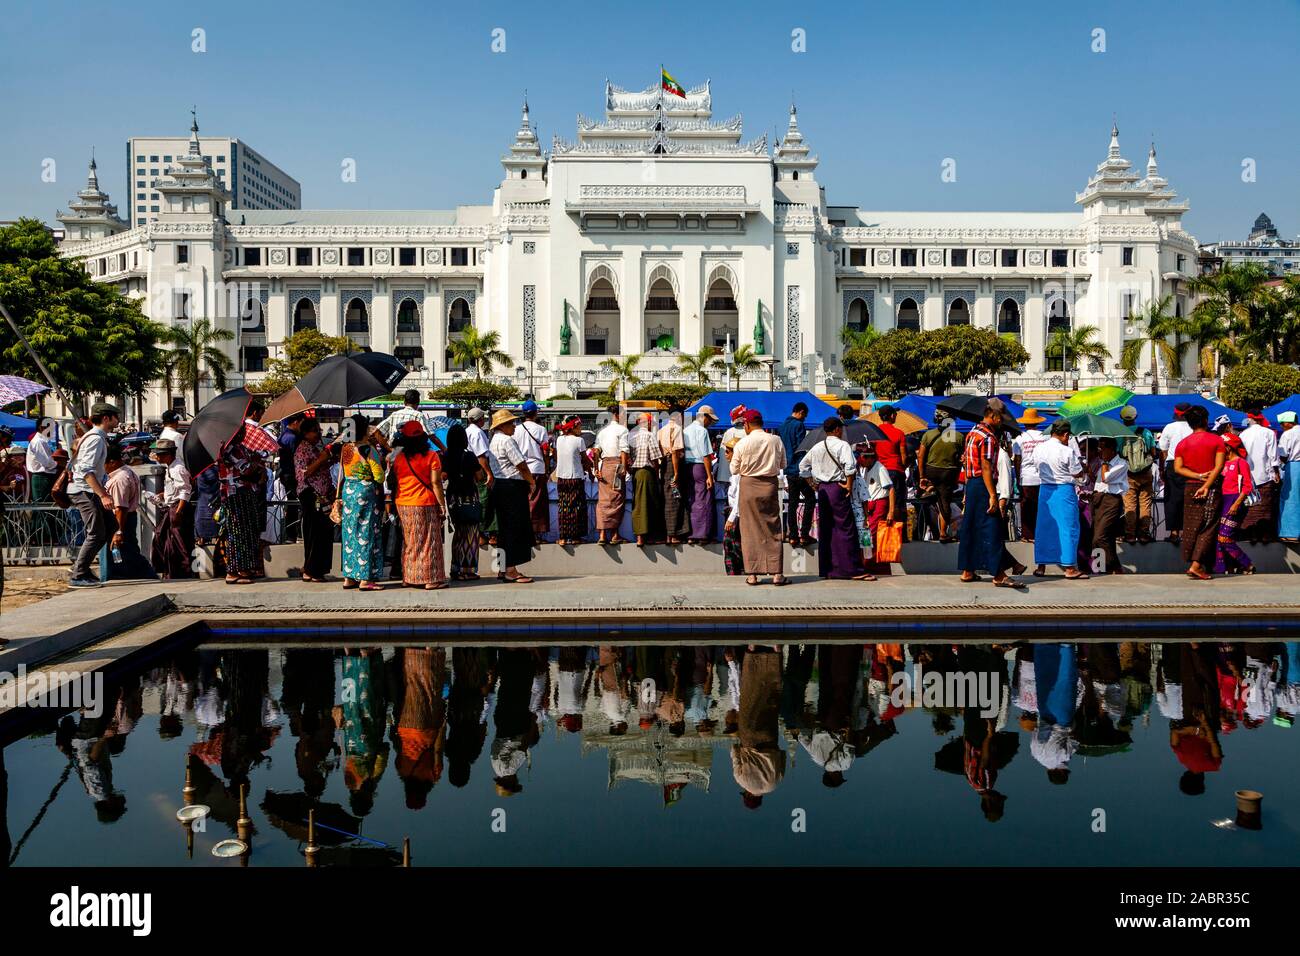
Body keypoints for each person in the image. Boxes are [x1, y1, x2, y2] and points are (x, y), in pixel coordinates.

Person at [958, 404, 1019, 587]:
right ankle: (999, 574)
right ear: (992, 415)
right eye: (999, 416)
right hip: (983, 484)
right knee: (992, 528)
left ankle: (968, 570)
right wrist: (993, 494)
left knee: (971, 527)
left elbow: (967, 462)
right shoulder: (988, 437)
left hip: (972, 484)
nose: (1001, 420)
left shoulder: (973, 433)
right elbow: (986, 467)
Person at [798, 417, 863, 580]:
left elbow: (802, 467)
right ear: (837, 429)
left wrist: (812, 484)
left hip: (823, 490)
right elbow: (850, 467)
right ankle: (851, 569)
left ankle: (828, 569)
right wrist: (848, 484)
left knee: (827, 529)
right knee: (846, 528)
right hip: (838, 488)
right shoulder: (843, 445)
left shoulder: (817, 446)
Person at [731, 410, 788, 586]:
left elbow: (734, 469)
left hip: (748, 486)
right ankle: (777, 573)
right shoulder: (775, 440)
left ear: (746, 425)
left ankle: (752, 575)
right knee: (773, 527)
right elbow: (782, 465)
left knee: (748, 530)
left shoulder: (742, 443)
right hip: (769, 486)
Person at [67, 403, 119, 588]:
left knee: (111, 525)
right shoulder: (95, 439)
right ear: (106, 418)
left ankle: (84, 568)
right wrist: (103, 495)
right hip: (84, 491)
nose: (118, 420)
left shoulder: (97, 437)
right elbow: (86, 471)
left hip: (90, 490)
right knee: (96, 533)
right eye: (115, 416)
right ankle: (78, 574)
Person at [389, 420, 445, 590]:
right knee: (429, 541)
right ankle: (430, 579)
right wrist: (442, 505)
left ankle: (408, 577)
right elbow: (436, 483)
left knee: (410, 540)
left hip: (403, 503)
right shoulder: (431, 456)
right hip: (425, 502)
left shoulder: (397, 457)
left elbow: (393, 479)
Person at [1174, 405, 1226, 581]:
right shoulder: (1216, 440)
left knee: (1191, 525)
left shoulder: (1182, 443)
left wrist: (1196, 476)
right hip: (1211, 487)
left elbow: (1178, 468)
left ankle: (1196, 562)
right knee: (1209, 526)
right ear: (1205, 420)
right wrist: (1206, 485)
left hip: (1190, 486)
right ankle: (1196, 565)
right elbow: (1219, 467)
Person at [1032, 419, 1088, 579]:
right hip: (1063, 490)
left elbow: (1037, 468)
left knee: (1044, 528)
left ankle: (1041, 566)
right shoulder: (1067, 451)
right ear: (1065, 435)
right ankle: (1069, 568)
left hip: (1045, 491)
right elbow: (1076, 473)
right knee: (1068, 528)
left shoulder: (1039, 449)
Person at [486, 409, 536, 583]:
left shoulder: (493, 441)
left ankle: (502, 568)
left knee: (504, 528)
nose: (514, 426)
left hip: (500, 486)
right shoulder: (507, 441)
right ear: (503, 425)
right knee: (515, 528)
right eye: (511, 423)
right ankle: (511, 569)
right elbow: (521, 465)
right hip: (512, 486)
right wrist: (531, 482)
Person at [216, 429, 267, 585]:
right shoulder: (229, 449)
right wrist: (257, 465)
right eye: (241, 429)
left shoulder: (241, 447)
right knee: (237, 532)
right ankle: (234, 570)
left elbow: (253, 463)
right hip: (234, 494)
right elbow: (246, 468)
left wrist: (258, 464)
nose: (244, 432)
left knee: (248, 531)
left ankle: (247, 567)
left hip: (246, 491)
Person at [103, 440, 157, 580]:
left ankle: (148, 576)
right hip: (127, 519)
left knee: (126, 553)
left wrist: (118, 531)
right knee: (128, 551)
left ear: (113, 462)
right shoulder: (128, 472)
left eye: (104, 463)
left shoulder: (119, 479)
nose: (102, 467)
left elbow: (120, 507)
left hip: (121, 520)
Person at [293, 418, 334, 583]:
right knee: (314, 533)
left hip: (323, 494)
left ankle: (317, 568)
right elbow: (304, 474)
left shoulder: (315, 447)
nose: (319, 434)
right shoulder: (302, 450)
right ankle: (311, 570)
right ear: (305, 433)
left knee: (323, 532)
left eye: (319, 430)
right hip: (311, 494)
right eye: (315, 431)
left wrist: (328, 459)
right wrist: (321, 460)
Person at [442, 423, 484, 579]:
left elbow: (443, 475)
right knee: (471, 534)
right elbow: (479, 477)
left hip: (453, 497)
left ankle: (455, 568)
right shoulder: (470, 456)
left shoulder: (446, 455)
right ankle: (467, 570)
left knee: (458, 533)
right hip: (469, 495)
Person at [150, 438, 193, 579]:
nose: (158, 457)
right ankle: (170, 572)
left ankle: (182, 572)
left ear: (169, 454)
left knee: (178, 544)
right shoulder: (171, 467)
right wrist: (162, 495)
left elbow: (185, 491)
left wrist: (179, 512)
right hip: (171, 507)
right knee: (163, 540)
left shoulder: (178, 469)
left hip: (178, 509)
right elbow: (174, 489)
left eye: (161, 454)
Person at [849, 442, 892, 580]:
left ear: (869, 457)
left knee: (870, 536)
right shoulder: (865, 469)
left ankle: (866, 564)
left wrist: (890, 511)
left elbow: (891, 489)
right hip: (870, 505)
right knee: (866, 535)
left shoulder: (880, 468)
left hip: (879, 504)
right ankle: (870, 564)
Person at [918, 408, 961, 543]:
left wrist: (921, 476)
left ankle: (930, 491)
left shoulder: (928, 435)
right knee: (945, 503)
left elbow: (921, 457)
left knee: (925, 502)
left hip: (931, 471)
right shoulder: (959, 437)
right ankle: (942, 533)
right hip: (948, 473)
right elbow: (961, 459)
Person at [1237, 413, 1281, 544]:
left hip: (1248, 475)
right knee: (1265, 506)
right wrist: (1276, 472)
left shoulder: (1243, 434)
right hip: (1265, 475)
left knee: (1250, 505)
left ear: (1249, 419)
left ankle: (1252, 534)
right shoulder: (1268, 433)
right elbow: (1273, 455)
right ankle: (1265, 535)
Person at [1216, 433, 1255, 575]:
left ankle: (1247, 563)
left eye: (1222, 446)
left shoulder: (1241, 463)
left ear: (1229, 447)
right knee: (1220, 538)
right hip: (1223, 501)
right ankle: (1225, 569)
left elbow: (1247, 487)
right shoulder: (1221, 463)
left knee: (1224, 538)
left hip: (1235, 501)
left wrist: (1236, 504)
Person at [1118, 405, 1156, 544]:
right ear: (1136, 417)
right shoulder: (1145, 432)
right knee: (1145, 503)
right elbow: (1153, 452)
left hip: (1127, 473)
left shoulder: (1120, 433)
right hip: (1145, 472)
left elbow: (1119, 453)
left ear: (1121, 417)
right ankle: (1144, 534)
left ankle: (1130, 535)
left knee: (1129, 505)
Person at [1091, 436, 1129, 574]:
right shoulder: (1102, 463)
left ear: (1111, 449)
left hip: (1111, 500)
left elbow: (1106, 478)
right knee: (1102, 536)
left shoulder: (1121, 464)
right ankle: (1101, 568)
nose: (1100, 451)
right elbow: (1098, 481)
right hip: (1098, 498)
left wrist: (1105, 462)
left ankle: (1115, 566)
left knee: (1100, 536)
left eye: (1102, 448)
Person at [593, 405, 629, 545]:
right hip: (616, 465)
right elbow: (623, 450)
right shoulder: (622, 430)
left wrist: (597, 469)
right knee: (617, 500)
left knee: (603, 501)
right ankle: (614, 535)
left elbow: (596, 451)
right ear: (618, 415)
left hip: (604, 466)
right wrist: (624, 467)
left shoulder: (602, 432)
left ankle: (602, 535)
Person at [514, 400, 551, 538]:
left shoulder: (516, 429)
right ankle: (535, 534)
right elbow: (546, 452)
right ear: (535, 413)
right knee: (538, 502)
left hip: (521, 469)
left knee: (523, 501)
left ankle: (523, 531)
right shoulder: (541, 430)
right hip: (537, 468)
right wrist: (547, 469)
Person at [1158, 402, 1193, 544]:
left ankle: (1174, 533)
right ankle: (1188, 532)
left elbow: (1163, 450)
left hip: (1173, 465)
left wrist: (1162, 469)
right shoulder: (1193, 428)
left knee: (1172, 499)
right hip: (1191, 465)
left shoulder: (1169, 427)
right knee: (1189, 499)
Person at [1012, 408, 1049, 543]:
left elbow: (1017, 460)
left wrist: (1017, 478)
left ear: (1025, 423)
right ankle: (1042, 534)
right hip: (1043, 477)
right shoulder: (1044, 437)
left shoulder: (1019, 439)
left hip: (1026, 477)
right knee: (1042, 507)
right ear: (1037, 422)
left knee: (1027, 507)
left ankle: (1028, 535)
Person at [553, 416, 592, 546]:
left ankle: (563, 537)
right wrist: (591, 472)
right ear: (573, 427)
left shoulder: (559, 440)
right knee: (577, 507)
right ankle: (575, 537)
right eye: (579, 426)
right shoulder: (579, 441)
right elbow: (585, 460)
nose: (580, 429)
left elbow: (557, 456)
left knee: (563, 507)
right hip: (575, 477)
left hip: (562, 478)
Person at [628, 412, 665, 547]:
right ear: (648, 423)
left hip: (636, 473)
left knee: (637, 504)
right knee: (650, 504)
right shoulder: (649, 436)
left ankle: (639, 537)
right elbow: (655, 458)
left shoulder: (632, 436)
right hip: (647, 472)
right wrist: (657, 474)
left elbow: (628, 457)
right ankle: (649, 537)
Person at [779, 402, 813, 546]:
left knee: (792, 503)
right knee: (810, 498)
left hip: (789, 469)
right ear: (800, 412)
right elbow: (801, 447)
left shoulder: (782, 426)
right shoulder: (799, 425)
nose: (804, 418)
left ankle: (793, 535)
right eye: (804, 415)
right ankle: (804, 534)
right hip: (799, 467)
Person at [683, 405, 717, 544]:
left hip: (687, 467)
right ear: (705, 417)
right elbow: (706, 456)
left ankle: (691, 534)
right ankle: (702, 534)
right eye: (710, 420)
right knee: (704, 499)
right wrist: (710, 475)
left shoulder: (685, 430)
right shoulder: (702, 431)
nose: (710, 423)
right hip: (700, 467)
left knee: (692, 499)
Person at [873, 405, 908, 532]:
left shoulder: (875, 432)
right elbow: (904, 457)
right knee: (898, 502)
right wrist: (905, 465)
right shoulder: (899, 433)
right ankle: (898, 532)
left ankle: (882, 530)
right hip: (896, 470)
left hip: (880, 471)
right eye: (895, 414)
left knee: (882, 501)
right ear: (892, 415)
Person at [658, 403, 690, 545]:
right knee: (675, 497)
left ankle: (668, 534)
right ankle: (674, 534)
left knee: (668, 497)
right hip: (674, 466)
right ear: (677, 415)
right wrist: (676, 473)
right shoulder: (676, 429)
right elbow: (676, 452)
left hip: (664, 465)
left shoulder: (661, 430)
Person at [721, 436, 744, 575]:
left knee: (734, 544)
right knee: (731, 544)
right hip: (733, 512)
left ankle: (738, 570)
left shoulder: (740, 473)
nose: (726, 455)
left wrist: (731, 518)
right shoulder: (734, 472)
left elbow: (739, 498)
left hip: (736, 514)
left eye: (728, 452)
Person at [1278, 411, 1300, 542]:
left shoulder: (1288, 434)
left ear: (1288, 423)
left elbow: (1283, 455)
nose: (1281, 426)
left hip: (1294, 467)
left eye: (1282, 424)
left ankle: (1290, 532)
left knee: (1290, 499)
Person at [25, 423, 57, 502]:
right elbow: (47, 462)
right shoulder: (39, 441)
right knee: (43, 506)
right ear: (42, 427)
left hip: (45, 476)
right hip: (42, 477)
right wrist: (59, 464)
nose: (52, 431)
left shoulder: (44, 441)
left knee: (47, 506)